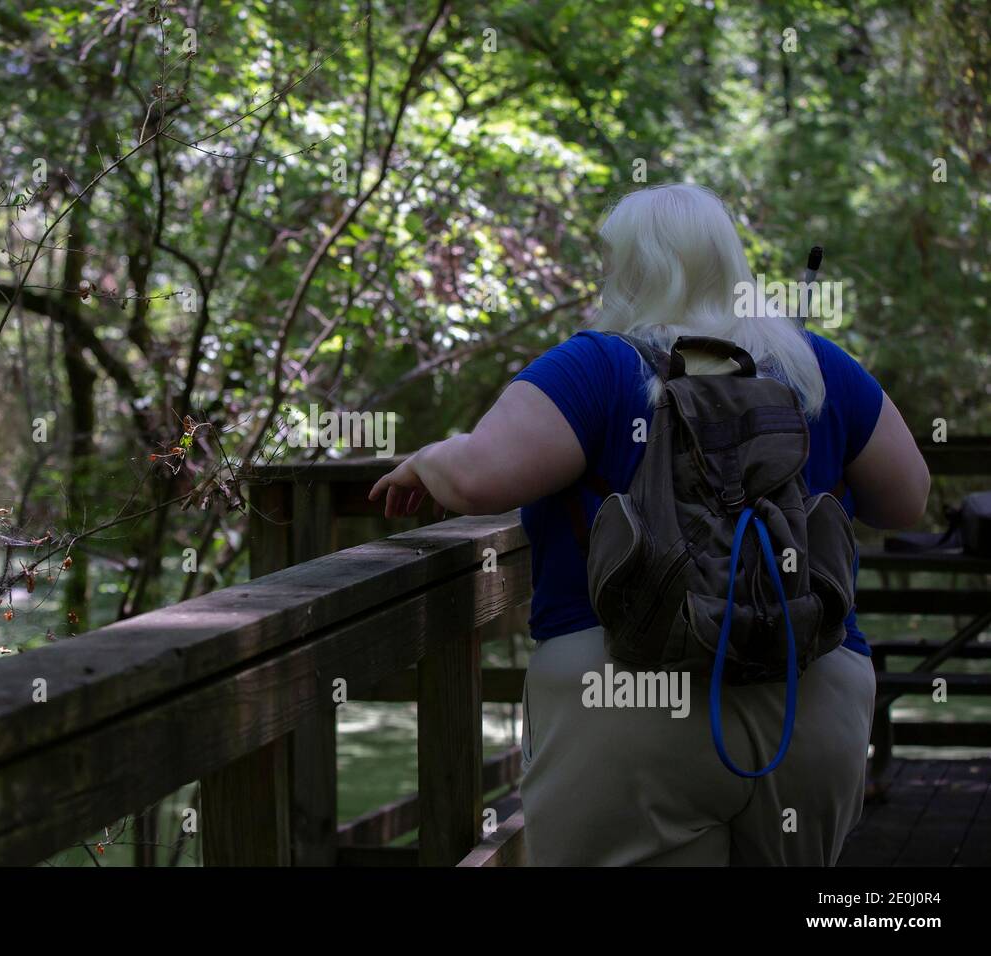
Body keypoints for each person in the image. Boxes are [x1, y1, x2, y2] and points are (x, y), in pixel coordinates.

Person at [367, 183, 930, 865]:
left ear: (629, 267)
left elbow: (482, 477)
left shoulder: (598, 365)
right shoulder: (815, 365)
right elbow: (907, 500)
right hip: (809, 697)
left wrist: (429, 458)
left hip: (621, 696)